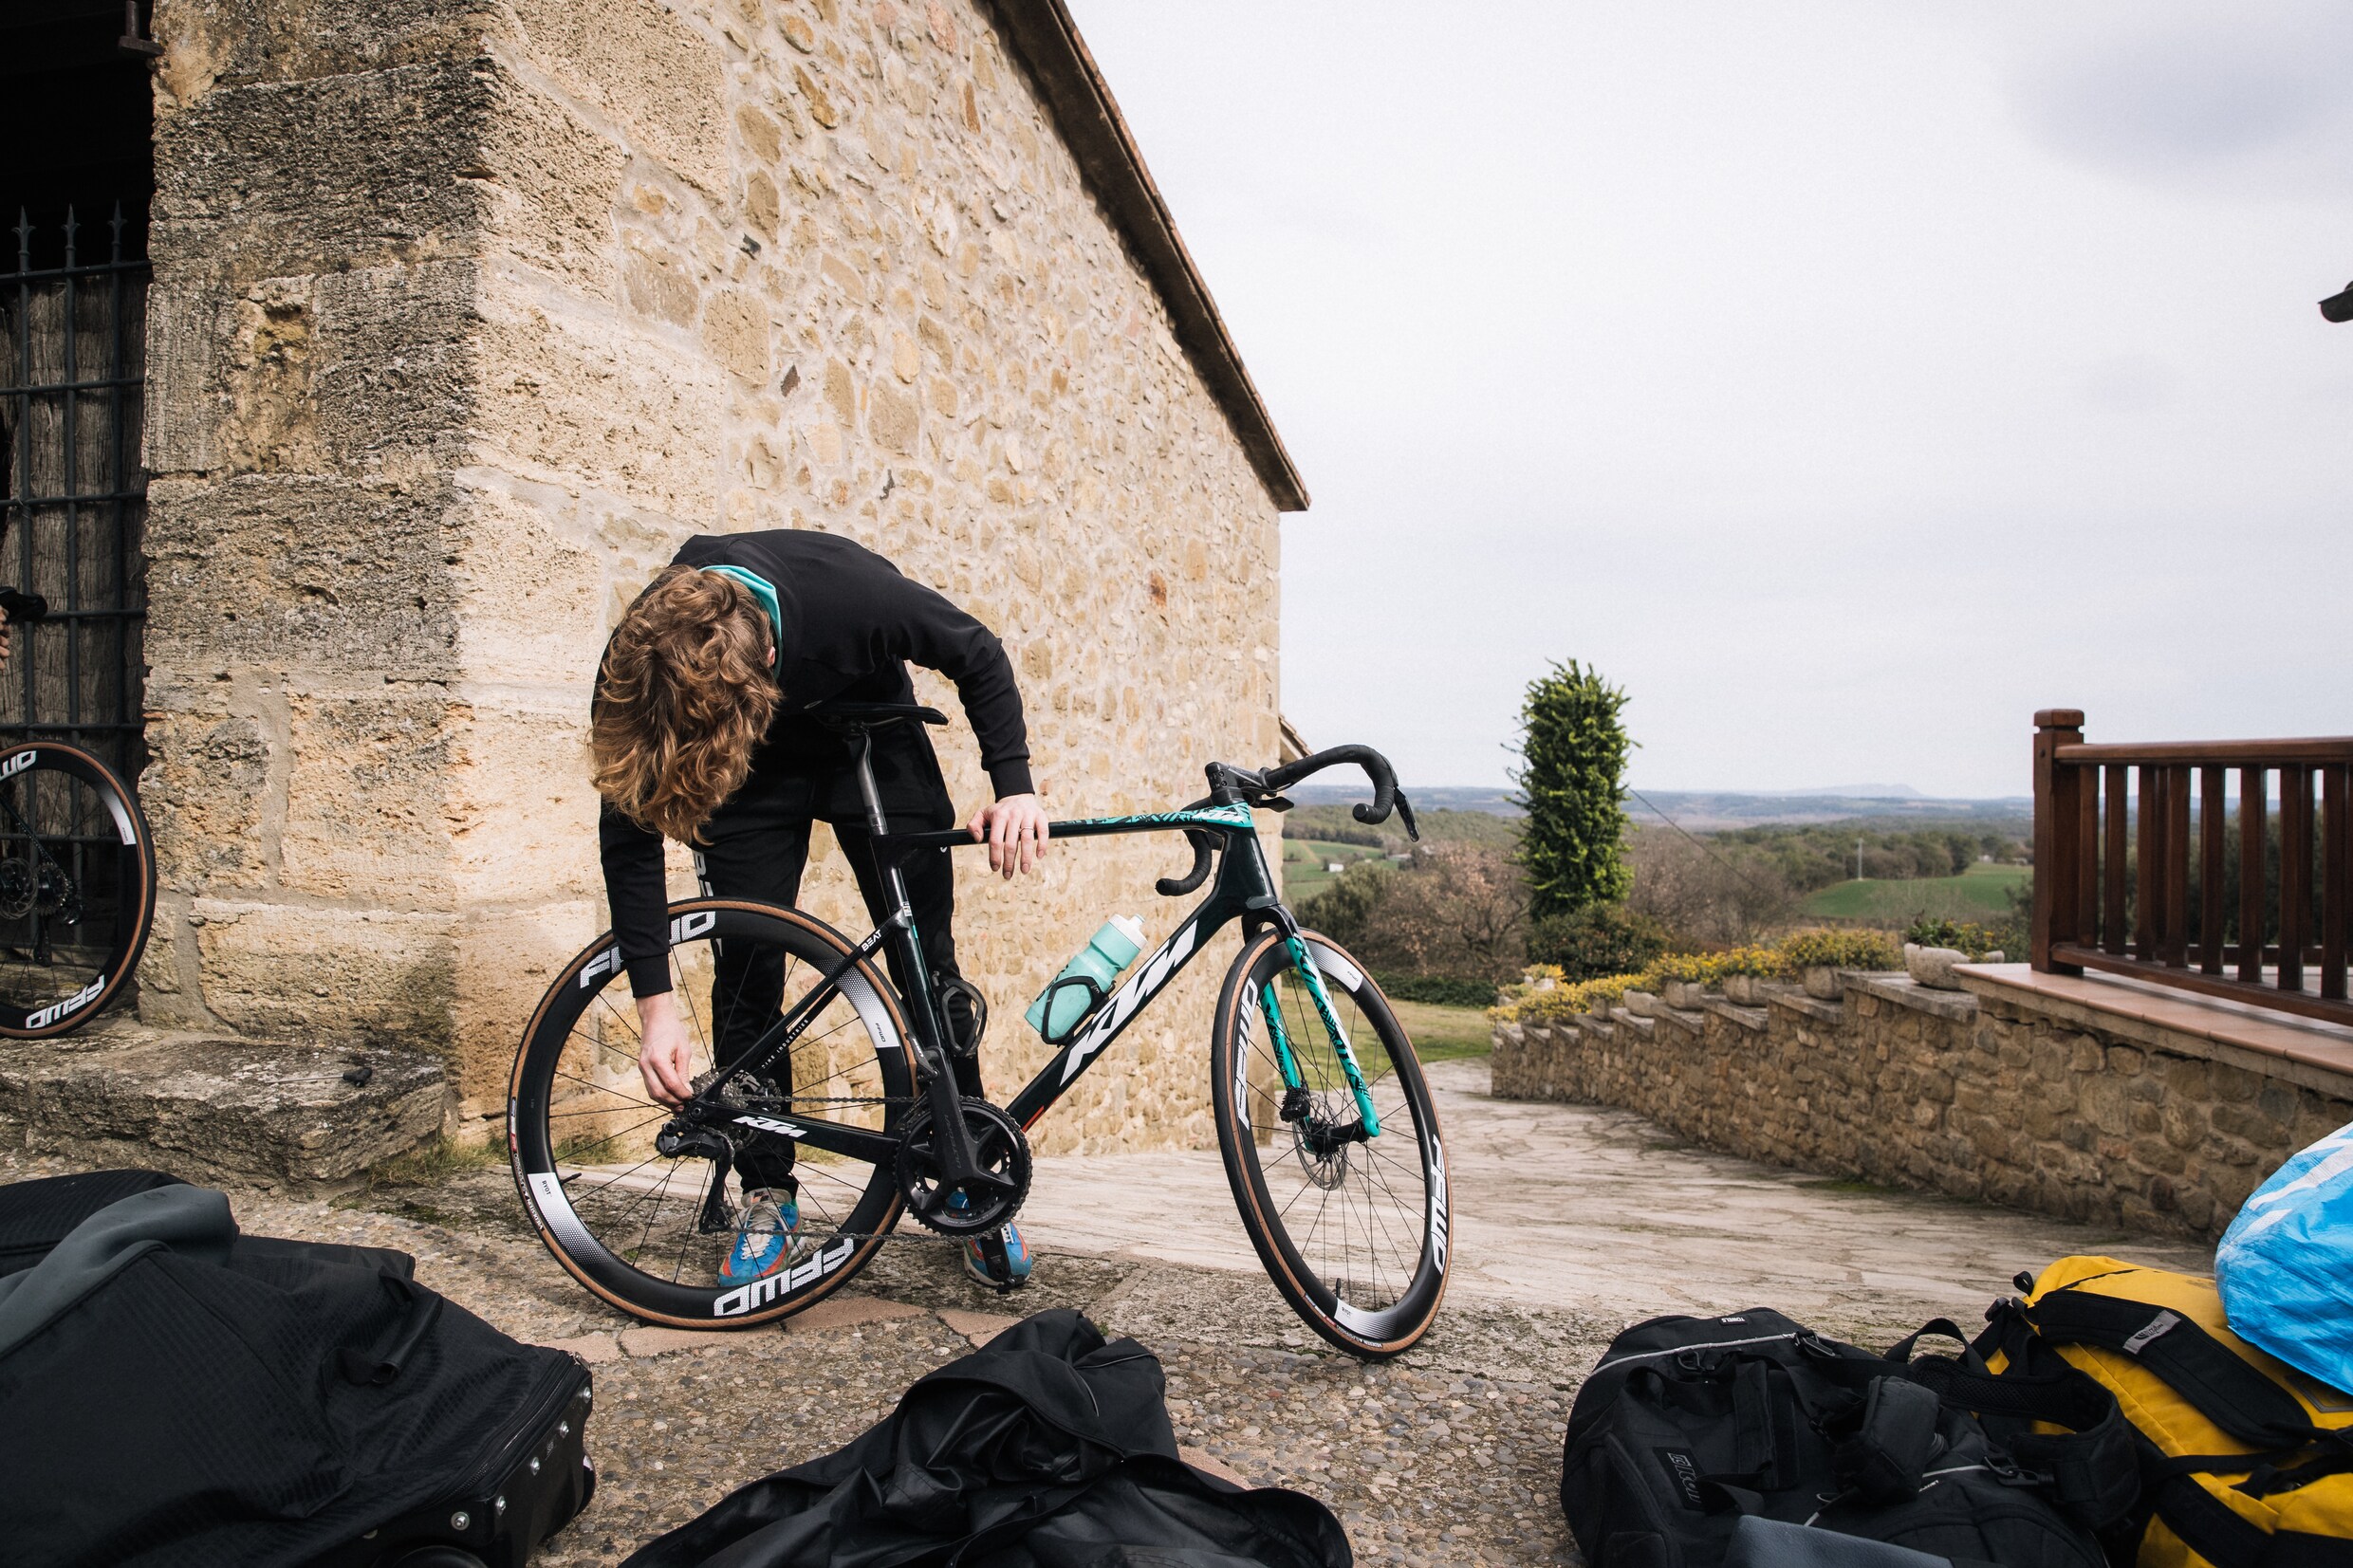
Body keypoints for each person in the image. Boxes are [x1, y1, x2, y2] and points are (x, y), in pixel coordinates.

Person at [590, 530, 1050, 1291]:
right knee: (747, 969)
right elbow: (627, 830)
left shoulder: (856, 597)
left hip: (870, 730)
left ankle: (971, 1176)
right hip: (747, 764)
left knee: (928, 969)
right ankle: (766, 1191)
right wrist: (655, 1010)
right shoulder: (645, 650)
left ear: (768, 660)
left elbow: (977, 650)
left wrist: (1015, 784)